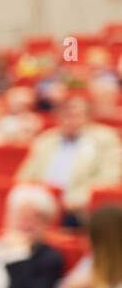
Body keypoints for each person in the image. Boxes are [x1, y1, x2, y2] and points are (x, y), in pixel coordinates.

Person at [16, 95, 122, 226]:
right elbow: (25, 177)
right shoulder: (46, 140)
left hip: (78, 209)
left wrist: (73, 201)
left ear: (88, 117)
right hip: (40, 206)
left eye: (75, 114)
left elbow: (109, 179)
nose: (69, 119)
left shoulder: (105, 140)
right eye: (65, 114)